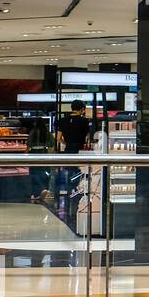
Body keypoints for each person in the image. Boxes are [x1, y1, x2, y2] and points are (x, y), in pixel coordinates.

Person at [55, 100, 92, 233]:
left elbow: (58, 138)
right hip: (80, 151)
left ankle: (69, 191)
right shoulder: (84, 121)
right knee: (80, 173)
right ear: (82, 109)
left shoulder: (62, 120)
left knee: (69, 172)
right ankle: (78, 192)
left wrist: (67, 142)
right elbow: (88, 138)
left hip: (68, 151)